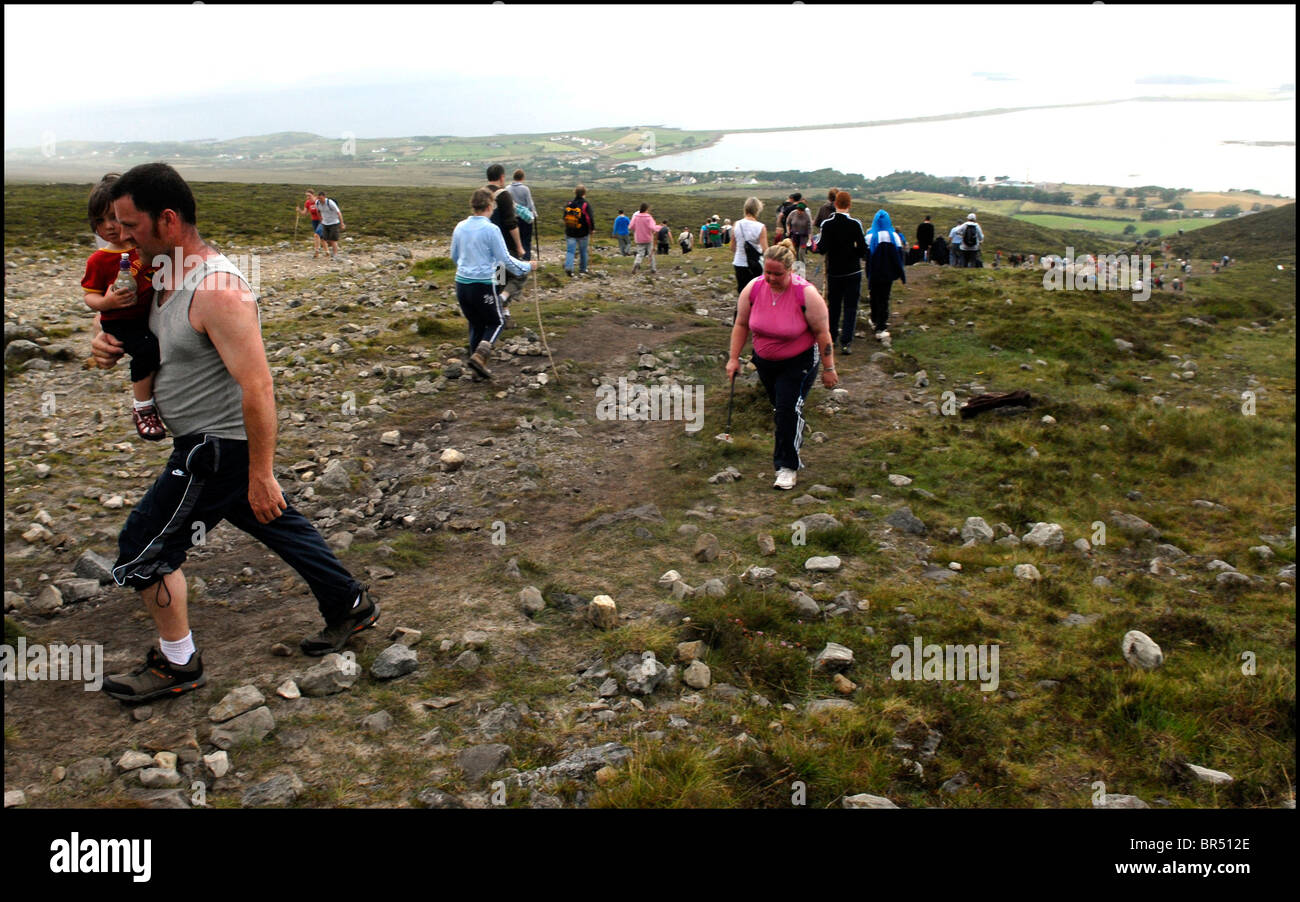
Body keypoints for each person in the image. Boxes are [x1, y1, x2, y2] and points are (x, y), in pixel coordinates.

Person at [88, 163, 377, 703]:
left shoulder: (219, 289)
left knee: (142, 551)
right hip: (209, 445)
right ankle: (349, 604)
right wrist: (108, 346)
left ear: (168, 219)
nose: (119, 235)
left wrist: (262, 471)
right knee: (274, 521)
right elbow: (154, 344)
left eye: (129, 224)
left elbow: (259, 386)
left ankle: (179, 664)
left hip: (212, 447)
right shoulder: (162, 274)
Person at [725, 239, 838, 492]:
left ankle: (786, 467)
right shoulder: (753, 289)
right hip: (765, 362)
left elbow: (823, 333)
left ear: (791, 270)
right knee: (782, 409)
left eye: (778, 274)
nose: (771, 278)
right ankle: (793, 429)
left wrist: (829, 369)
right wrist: (733, 358)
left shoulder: (806, 294)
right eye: (767, 272)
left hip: (799, 361)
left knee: (786, 410)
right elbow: (741, 324)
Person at [81, 173, 164, 441]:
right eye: (100, 221)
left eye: (115, 218)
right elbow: (91, 297)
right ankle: (143, 406)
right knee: (148, 349)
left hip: (143, 317)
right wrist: (105, 307)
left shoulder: (147, 248)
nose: (109, 226)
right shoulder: (101, 258)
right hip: (123, 322)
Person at [452, 188, 538, 378]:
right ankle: (480, 356)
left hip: (461, 284)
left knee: (475, 323)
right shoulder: (491, 229)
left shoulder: (460, 227)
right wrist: (526, 267)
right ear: (490, 206)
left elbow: (454, 256)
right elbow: (505, 260)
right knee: (497, 322)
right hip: (482, 284)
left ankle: (476, 369)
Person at [814, 190, 868, 355]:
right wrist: (854, 253)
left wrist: (811, 246)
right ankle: (846, 342)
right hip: (853, 271)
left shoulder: (827, 225)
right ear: (849, 205)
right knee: (851, 307)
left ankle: (832, 338)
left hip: (834, 272)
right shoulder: (855, 224)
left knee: (834, 306)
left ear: (835, 204)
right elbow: (863, 249)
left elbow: (821, 248)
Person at [866, 209, 907, 338]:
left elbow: (866, 256)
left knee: (874, 295)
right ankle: (881, 327)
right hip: (888, 273)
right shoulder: (894, 236)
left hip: (874, 273)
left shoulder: (869, 236)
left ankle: (874, 319)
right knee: (884, 297)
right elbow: (900, 255)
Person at [731, 196, 769, 294]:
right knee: (755, 290)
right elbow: (765, 250)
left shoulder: (736, 224)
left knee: (742, 290)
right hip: (755, 264)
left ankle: (741, 308)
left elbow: (732, 247)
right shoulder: (761, 227)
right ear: (757, 210)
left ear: (745, 208)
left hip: (739, 262)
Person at [562, 184, 594, 275]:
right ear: (584, 193)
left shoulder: (569, 203)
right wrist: (592, 229)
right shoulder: (585, 204)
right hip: (583, 232)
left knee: (570, 251)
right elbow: (589, 218)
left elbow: (564, 217)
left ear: (575, 192)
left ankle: (569, 267)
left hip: (570, 231)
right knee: (583, 251)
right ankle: (583, 269)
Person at [506, 169, 537, 261]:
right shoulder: (525, 189)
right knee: (526, 240)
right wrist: (534, 214)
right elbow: (530, 204)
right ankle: (526, 261)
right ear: (522, 178)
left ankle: (515, 260)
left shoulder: (507, 189)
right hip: (525, 219)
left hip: (513, 218)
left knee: (514, 241)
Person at [629, 203, 664, 275]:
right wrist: (660, 227)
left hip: (638, 238)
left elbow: (631, 226)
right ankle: (653, 269)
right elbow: (653, 227)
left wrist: (637, 229)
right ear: (647, 209)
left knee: (640, 253)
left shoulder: (636, 217)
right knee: (650, 254)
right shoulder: (648, 217)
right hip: (648, 238)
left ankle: (637, 263)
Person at [315, 188, 345, 259]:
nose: (320, 200)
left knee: (333, 239)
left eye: (321, 198)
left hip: (334, 222)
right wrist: (320, 220)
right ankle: (329, 251)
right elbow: (318, 211)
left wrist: (342, 223)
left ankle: (335, 254)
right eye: (319, 198)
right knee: (325, 239)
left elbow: (338, 212)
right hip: (325, 223)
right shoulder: (317, 203)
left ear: (324, 197)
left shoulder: (330, 203)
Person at [299, 189, 324, 257]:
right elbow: (305, 213)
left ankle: (317, 251)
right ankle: (327, 251)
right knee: (320, 236)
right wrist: (299, 210)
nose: (308, 197)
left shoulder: (318, 201)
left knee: (316, 235)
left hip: (322, 220)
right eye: (306, 196)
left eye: (309, 195)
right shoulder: (307, 203)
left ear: (313, 195)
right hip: (314, 221)